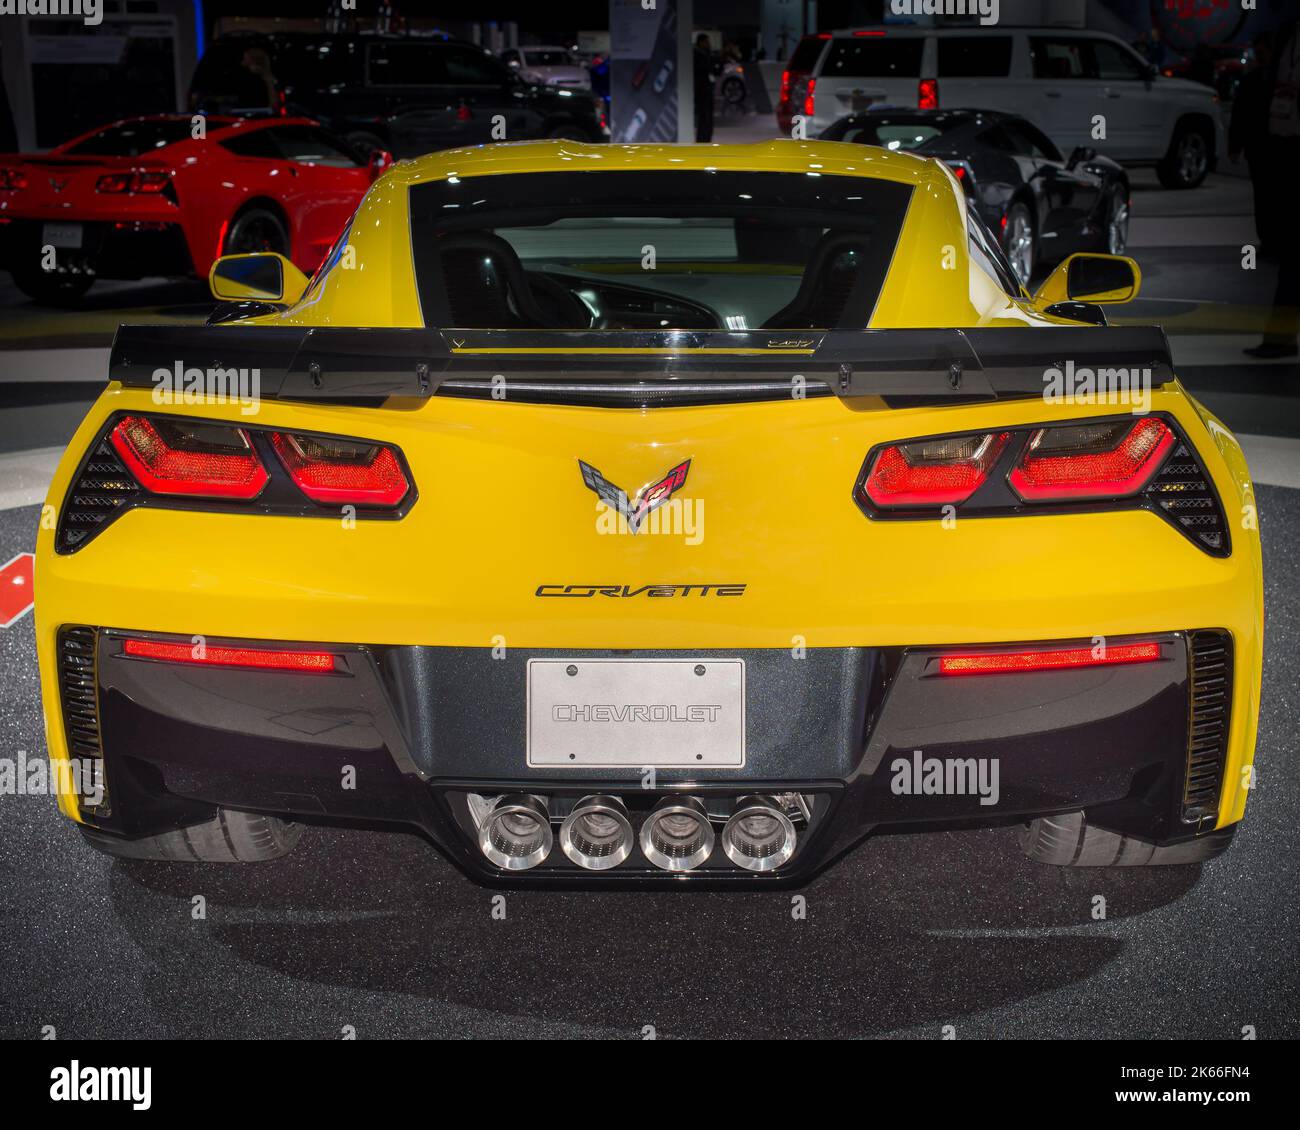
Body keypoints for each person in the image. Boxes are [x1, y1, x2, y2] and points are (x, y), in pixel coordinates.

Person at [1245, 18, 1300, 360]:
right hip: (1285, 149)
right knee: (1292, 256)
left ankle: (1279, 338)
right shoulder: (1285, 34)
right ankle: (1279, 338)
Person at [1230, 33, 1276, 255]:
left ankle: (1271, 239)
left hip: (1269, 143)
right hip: (1262, 144)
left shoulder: (1266, 80)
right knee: (1264, 195)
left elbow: (1240, 114)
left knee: (1268, 195)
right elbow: (1240, 115)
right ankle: (1268, 240)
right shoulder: (1255, 80)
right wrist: (1235, 146)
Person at [693, 34, 719, 142]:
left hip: (708, 90)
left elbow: (714, 70)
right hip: (701, 90)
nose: (708, 44)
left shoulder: (707, 55)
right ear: (700, 42)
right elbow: (704, 69)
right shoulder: (697, 55)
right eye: (706, 42)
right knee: (703, 117)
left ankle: (707, 138)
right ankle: (702, 139)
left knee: (708, 117)